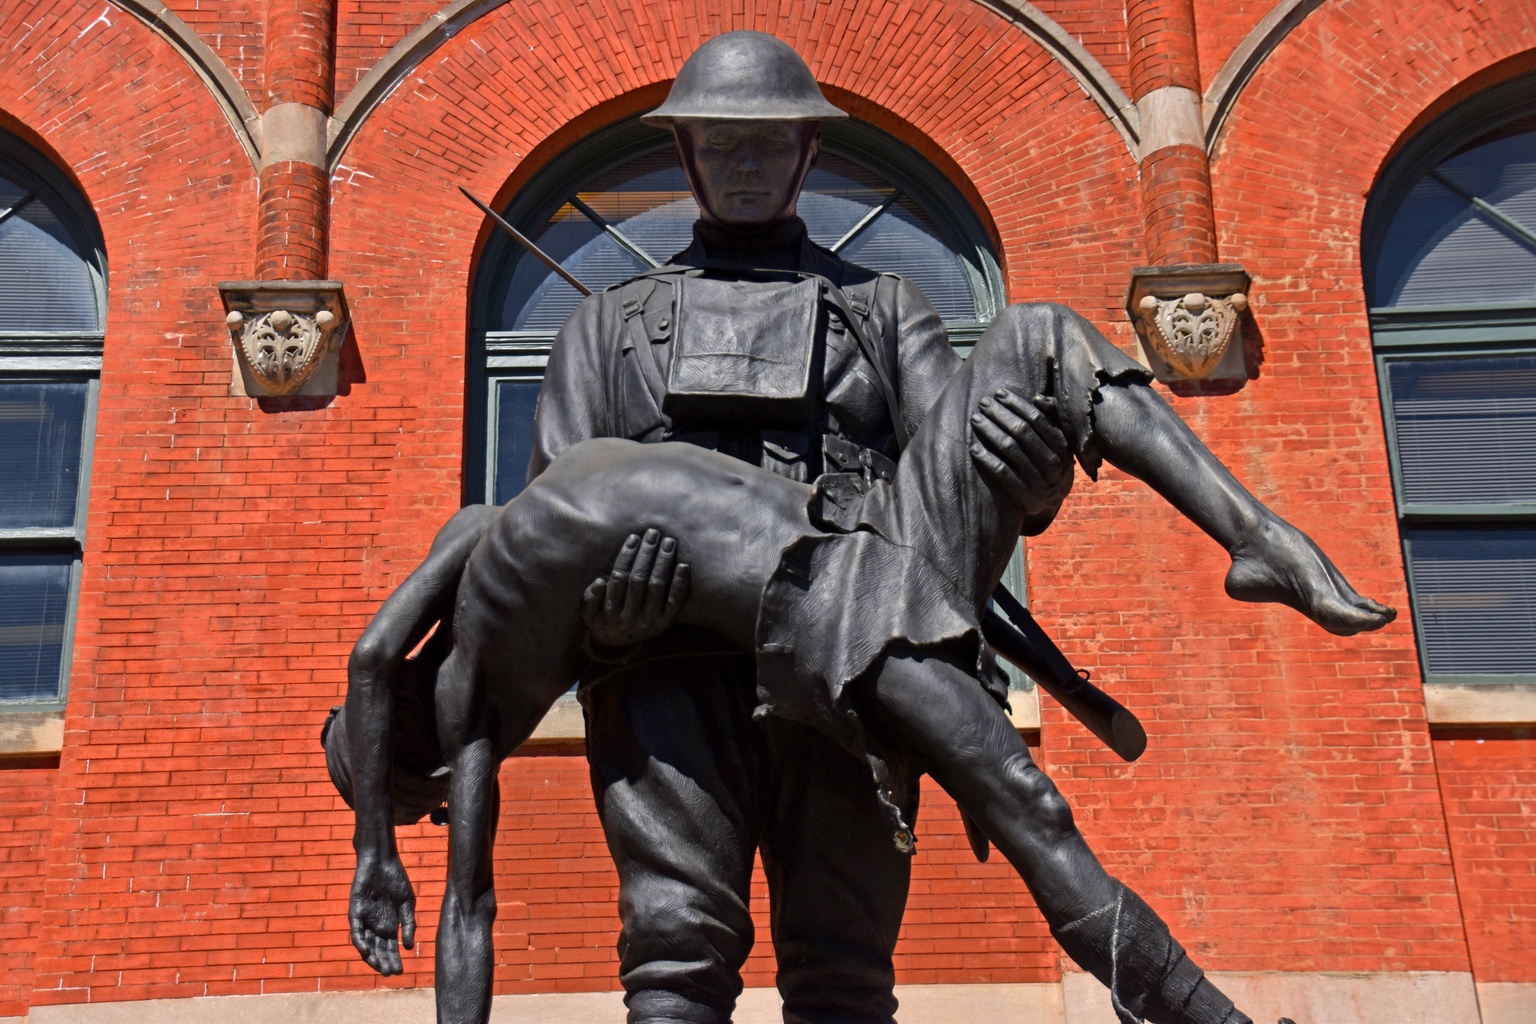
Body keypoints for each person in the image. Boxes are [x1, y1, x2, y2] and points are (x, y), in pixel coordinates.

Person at [330, 31, 1391, 1024]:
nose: (745, 166)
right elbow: (549, 540)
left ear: (805, 155)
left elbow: (961, 482)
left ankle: (1258, 538)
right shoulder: (602, 329)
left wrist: (1030, 484)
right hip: (668, 680)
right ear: (687, 158)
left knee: (844, 969)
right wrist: (608, 626)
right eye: (721, 145)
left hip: (852, 632)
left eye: (769, 145)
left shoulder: (884, 309)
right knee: (674, 955)